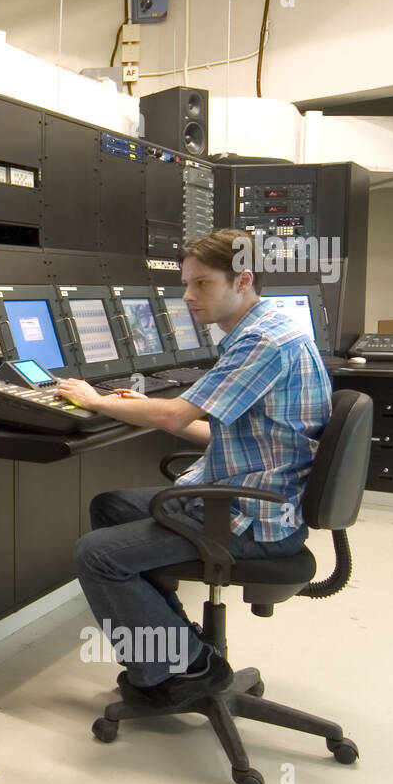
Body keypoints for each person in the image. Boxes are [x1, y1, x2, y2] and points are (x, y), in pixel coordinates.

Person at [55, 229, 331, 707]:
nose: (187, 296)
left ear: (242, 281)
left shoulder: (262, 341)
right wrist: (144, 406)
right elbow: (228, 435)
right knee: (112, 505)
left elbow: (176, 415)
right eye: (185, 284)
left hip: (252, 517)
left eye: (201, 284)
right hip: (256, 494)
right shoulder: (267, 329)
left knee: (96, 555)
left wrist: (95, 400)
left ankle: (188, 666)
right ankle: (175, 649)